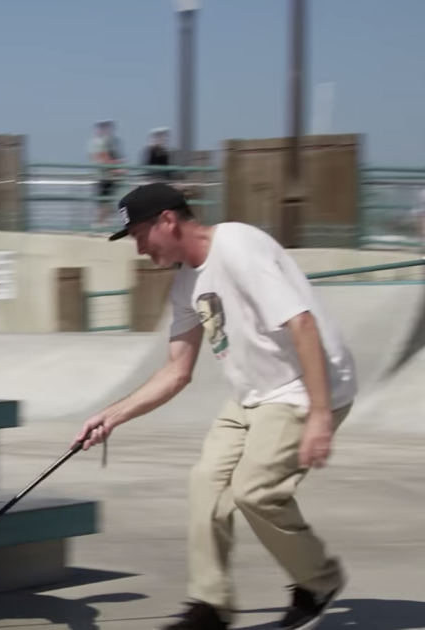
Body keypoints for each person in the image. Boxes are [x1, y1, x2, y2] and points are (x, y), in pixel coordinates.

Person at [72, 183, 358, 630]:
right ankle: (211, 607)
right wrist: (112, 416)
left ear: (168, 220)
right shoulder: (186, 284)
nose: (140, 249)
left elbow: (301, 323)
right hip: (251, 396)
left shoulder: (239, 246)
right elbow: (176, 372)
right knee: (205, 483)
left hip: (304, 386)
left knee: (254, 491)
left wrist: (321, 414)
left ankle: (318, 580)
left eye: (140, 236)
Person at [88, 119, 125, 228]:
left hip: (113, 177)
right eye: (103, 127)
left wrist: (118, 166)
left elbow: (119, 157)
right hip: (103, 177)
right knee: (104, 202)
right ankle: (99, 225)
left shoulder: (113, 141)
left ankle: (103, 224)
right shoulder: (97, 142)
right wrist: (115, 166)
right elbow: (100, 157)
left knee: (111, 202)